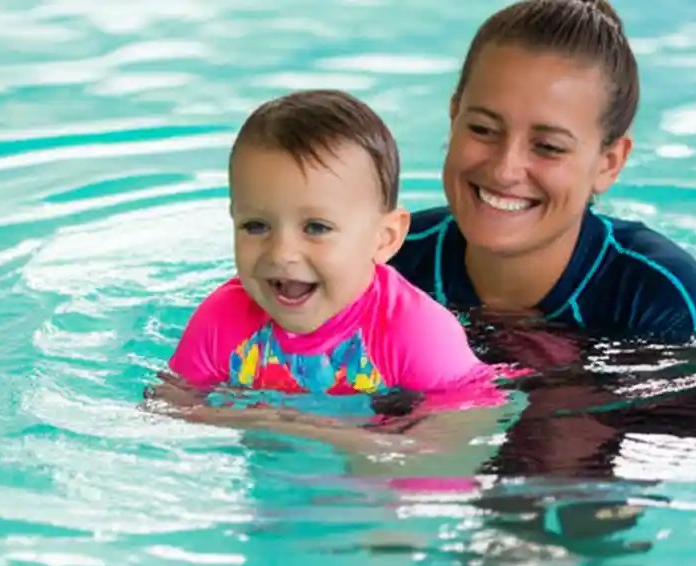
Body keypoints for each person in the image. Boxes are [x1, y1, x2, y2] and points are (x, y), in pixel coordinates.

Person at [149, 89, 527, 448]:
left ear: (385, 238)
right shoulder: (222, 319)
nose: (281, 252)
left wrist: (316, 432)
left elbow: (469, 429)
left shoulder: (414, 332)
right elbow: (164, 409)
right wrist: (258, 424)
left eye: (316, 228)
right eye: (256, 226)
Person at [390, 0, 696, 342]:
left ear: (609, 163)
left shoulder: (664, 303)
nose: (505, 170)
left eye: (549, 147)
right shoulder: (385, 263)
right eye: (482, 129)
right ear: (453, 119)